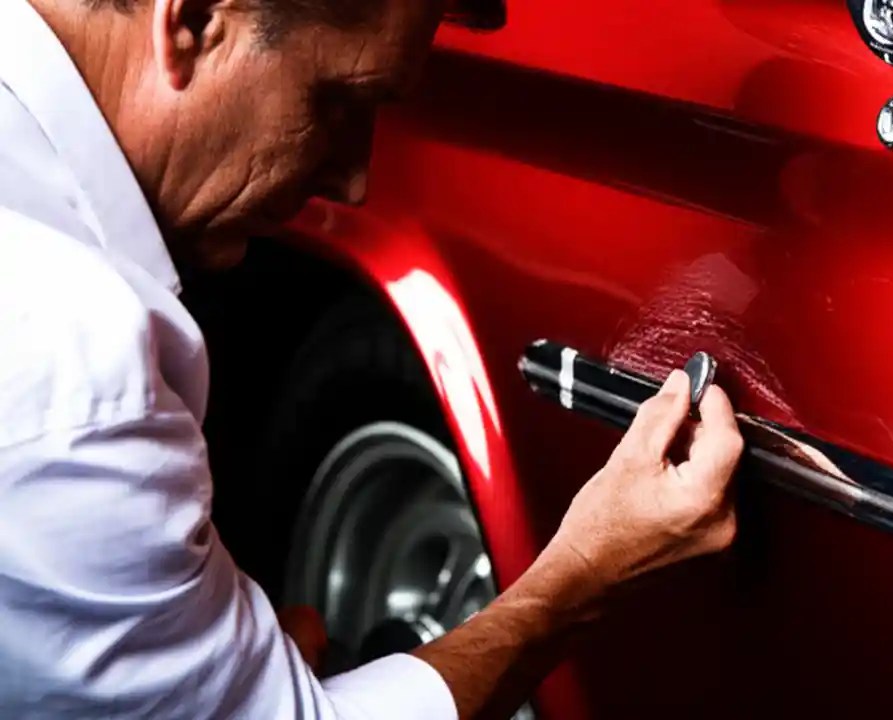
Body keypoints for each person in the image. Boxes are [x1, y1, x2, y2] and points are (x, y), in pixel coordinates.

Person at [0, 0, 745, 717]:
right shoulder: (82, 363)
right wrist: (580, 577)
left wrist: (194, 667)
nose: (352, 178)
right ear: (193, 21)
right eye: (338, 103)